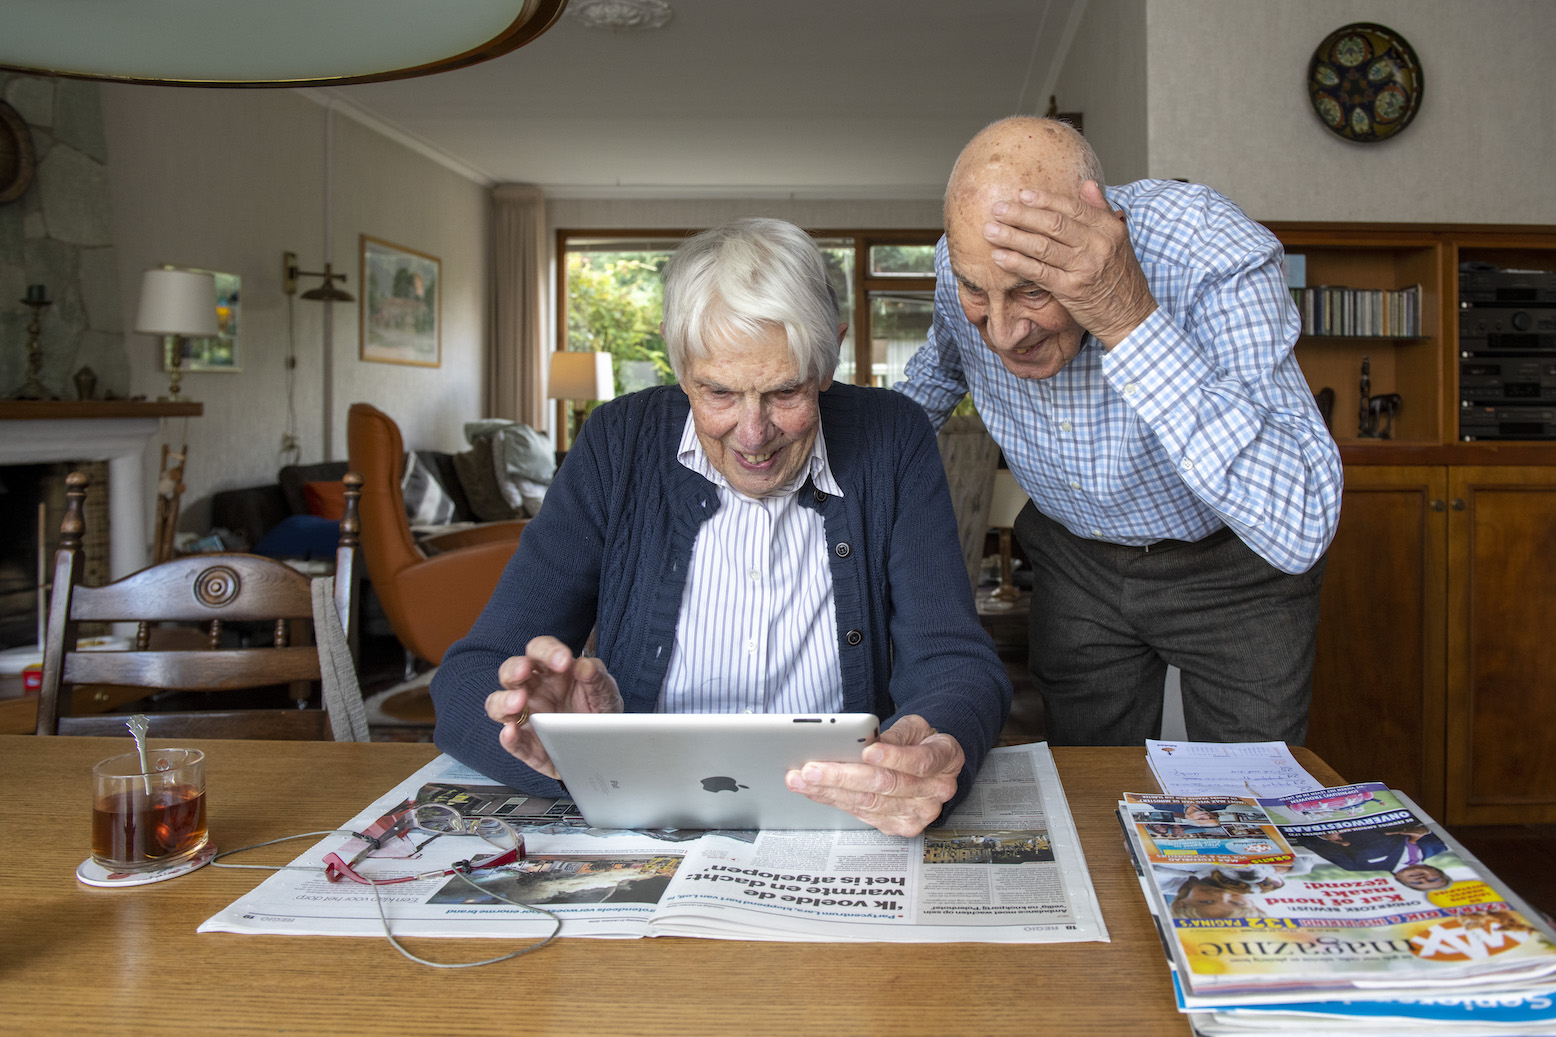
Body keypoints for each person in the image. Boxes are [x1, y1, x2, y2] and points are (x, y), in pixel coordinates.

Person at [431, 217, 1011, 837]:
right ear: (680, 366)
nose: (753, 434)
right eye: (719, 393)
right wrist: (564, 749)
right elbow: (469, 678)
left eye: (785, 391)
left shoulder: (892, 437)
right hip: (646, 825)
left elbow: (955, 661)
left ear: (827, 360)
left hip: (838, 826)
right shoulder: (616, 443)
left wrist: (936, 743)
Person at [896, 116, 1342, 746]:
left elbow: (1300, 524)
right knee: (1091, 787)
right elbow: (933, 382)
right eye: (977, 291)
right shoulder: (962, 262)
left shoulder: (1206, 246)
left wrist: (1125, 314)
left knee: (1251, 800)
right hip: (1074, 561)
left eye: (1030, 291)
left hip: (1235, 567)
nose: (1002, 333)